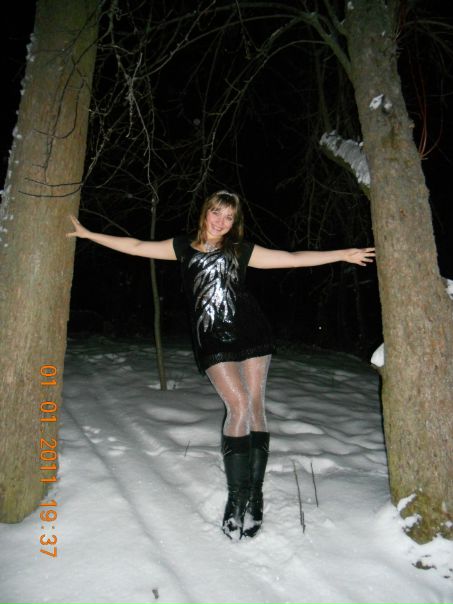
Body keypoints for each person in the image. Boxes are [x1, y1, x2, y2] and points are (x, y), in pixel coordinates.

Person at [67, 190, 375, 541]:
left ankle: (254, 496)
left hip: (252, 334)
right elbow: (136, 246)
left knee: (255, 407)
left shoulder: (240, 251)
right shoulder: (183, 247)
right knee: (238, 405)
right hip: (212, 340)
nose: (221, 222)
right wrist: (89, 234)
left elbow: (291, 258)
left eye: (229, 217)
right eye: (217, 213)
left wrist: (342, 254)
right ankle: (236, 496)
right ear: (206, 213)